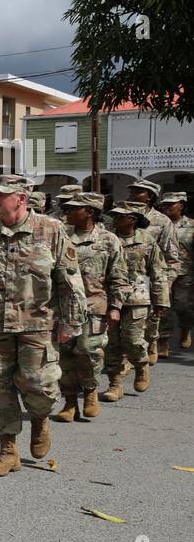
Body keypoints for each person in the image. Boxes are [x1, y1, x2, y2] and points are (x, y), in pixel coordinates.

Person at [0, 174, 86, 477]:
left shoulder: (51, 230)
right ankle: (6, 449)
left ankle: (40, 420)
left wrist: (71, 321)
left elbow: (69, 281)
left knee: (40, 387)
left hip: (37, 325)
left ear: (21, 199)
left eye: (2, 196)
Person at [55, 193, 127, 421]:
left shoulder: (108, 240)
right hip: (62, 307)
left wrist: (116, 306)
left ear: (90, 212)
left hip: (93, 307)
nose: (68, 212)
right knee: (64, 356)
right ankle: (69, 402)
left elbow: (119, 276)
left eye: (75, 208)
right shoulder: (60, 236)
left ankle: (90, 392)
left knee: (87, 351)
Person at [101, 202, 167, 401]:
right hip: (110, 296)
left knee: (131, 339)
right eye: (115, 216)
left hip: (137, 297)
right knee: (111, 342)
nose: (117, 220)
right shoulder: (107, 238)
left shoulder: (146, 240)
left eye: (122, 216)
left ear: (133, 219)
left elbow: (158, 272)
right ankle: (115, 384)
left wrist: (161, 302)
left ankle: (141, 364)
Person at [125, 179, 178, 362]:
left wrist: (166, 282)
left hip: (151, 275)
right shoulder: (122, 215)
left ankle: (153, 341)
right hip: (125, 274)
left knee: (152, 314)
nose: (133, 194)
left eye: (138, 191)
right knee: (127, 317)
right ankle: (127, 358)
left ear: (150, 197)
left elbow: (170, 254)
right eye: (132, 190)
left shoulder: (162, 221)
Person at [156, 191, 192, 353]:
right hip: (163, 271)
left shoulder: (191, 225)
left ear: (181, 206)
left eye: (171, 204)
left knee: (183, 306)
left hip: (185, 272)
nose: (167, 207)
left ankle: (185, 329)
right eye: (165, 204)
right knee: (164, 306)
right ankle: (164, 340)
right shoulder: (157, 224)